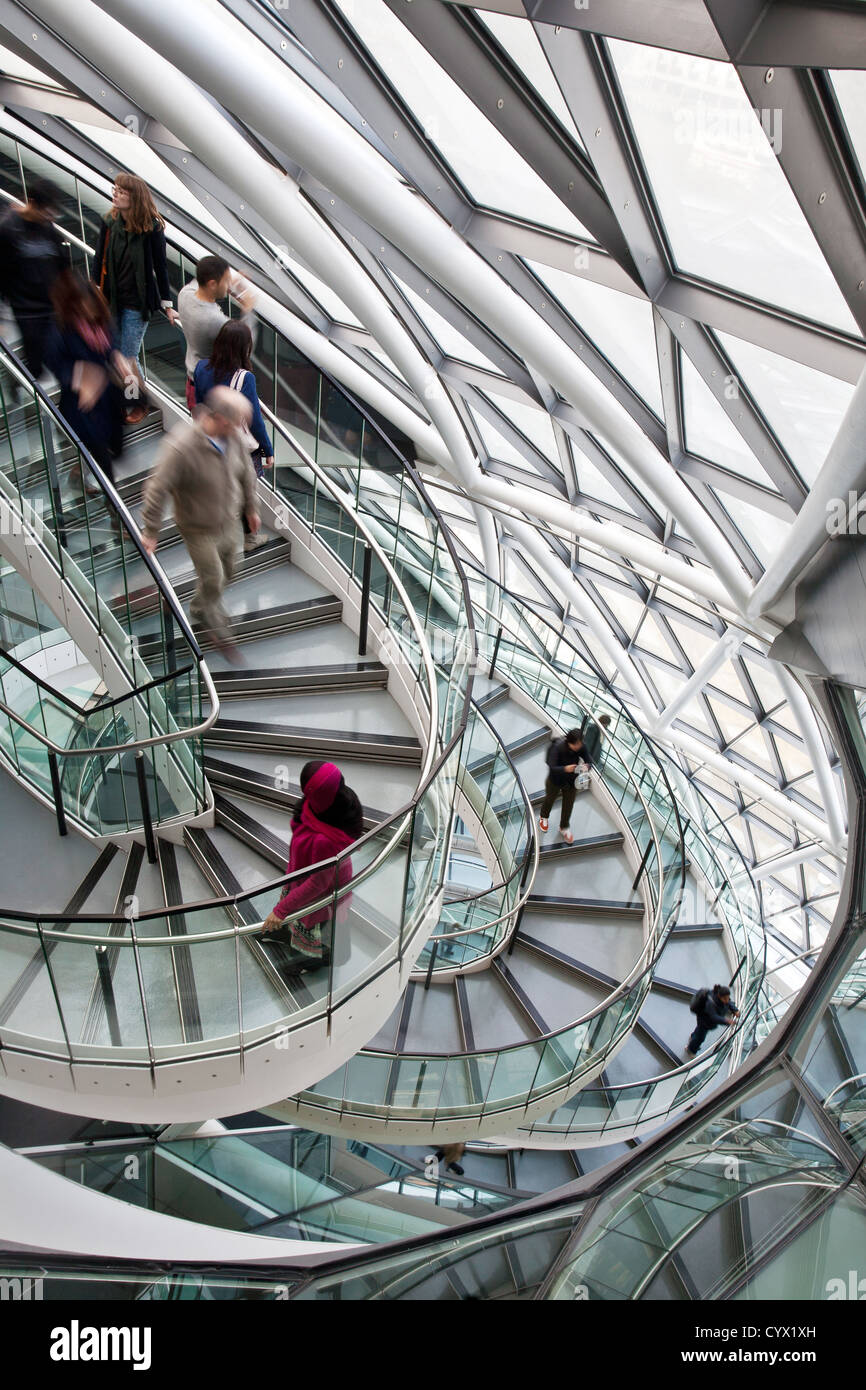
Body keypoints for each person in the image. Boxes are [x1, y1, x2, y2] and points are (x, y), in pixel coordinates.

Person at [139, 385, 260, 657]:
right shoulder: (182, 447)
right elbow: (157, 488)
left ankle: (202, 603)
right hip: (197, 527)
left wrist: (251, 509)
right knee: (214, 577)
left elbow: (246, 475)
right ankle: (204, 613)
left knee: (232, 567)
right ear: (219, 419)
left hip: (228, 520)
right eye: (235, 424)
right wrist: (151, 530)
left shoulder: (233, 440)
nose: (240, 430)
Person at [260, 761, 363, 972]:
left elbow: (317, 884)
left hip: (321, 892)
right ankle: (289, 934)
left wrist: (281, 910)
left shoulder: (324, 840)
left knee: (312, 923)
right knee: (300, 918)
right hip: (301, 876)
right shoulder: (330, 804)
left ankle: (312, 959)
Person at [91, 173, 177, 422]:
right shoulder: (110, 220)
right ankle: (126, 399)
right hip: (112, 299)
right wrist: (94, 288)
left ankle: (137, 402)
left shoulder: (152, 227)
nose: (115, 194)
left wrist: (167, 305)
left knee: (127, 357)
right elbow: (99, 257)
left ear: (134, 197)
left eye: (121, 191)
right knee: (115, 353)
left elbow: (160, 267)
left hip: (137, 304)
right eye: (114, 189)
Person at [193, 320, 274, 552]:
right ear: (243, 348)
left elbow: (199, 404)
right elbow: (254, 420)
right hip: (236, 444)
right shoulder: (244, 378)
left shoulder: (201, 368)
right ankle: (249, 538)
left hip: (210, 439)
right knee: (247, 488)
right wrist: (267, 450)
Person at [45, 271, 131, 486]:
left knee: (117, 447)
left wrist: (116, 355)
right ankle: (114, 509)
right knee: (99, 449)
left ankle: (77, 473)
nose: (90, 312)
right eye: (84, 308)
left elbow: (112, 344)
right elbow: (56, 364)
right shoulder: (62, 329)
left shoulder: (101, 322)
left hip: (107, 395)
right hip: (82, 403)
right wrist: (80, 377)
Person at [0, 176, 65, 380]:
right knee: (36, 363)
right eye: (46, 212)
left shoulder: (49, 229)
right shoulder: (9, 229)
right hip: (26, 311)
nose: (50, 217)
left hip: (51, 307)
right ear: (33, 203)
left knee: (58, 357)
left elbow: (62, 265)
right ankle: (19, 380)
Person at [177, 253, 256, 412]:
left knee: (201, 426)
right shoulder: (214, 321)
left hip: (192, 379)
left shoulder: (185, 294)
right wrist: (248, 309)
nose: (229, 285)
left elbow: (201, 279)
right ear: (212, 284)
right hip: (213, 388)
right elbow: (246, 345)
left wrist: (228, 281)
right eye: (226, 281)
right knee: (215, 433)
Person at [539, 728, 589, 844]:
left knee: (569, 804)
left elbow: (589, 759)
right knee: (550, 799)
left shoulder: (581, 746)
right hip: (555, 779)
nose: (579, 747)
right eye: (577, 744)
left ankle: (564, 827)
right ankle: (544, 816)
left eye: (580, 744)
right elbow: (552, 766)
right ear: (570, 742)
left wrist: (587, 766)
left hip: (571, 781)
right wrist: (565, 769)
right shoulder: (558, 748)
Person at [686, 984, 739, 1058]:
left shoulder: (722, 999)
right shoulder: (711, 1003)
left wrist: (735, 1010)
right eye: (725, 999)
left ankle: (693, 1037)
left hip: (706, 1022)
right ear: (720, 997)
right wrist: (726, 1021)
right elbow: (714, 1017)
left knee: (698, 1031)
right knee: (700, 1038)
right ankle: (691, 1049)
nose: (727, 1000)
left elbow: (729, 1003)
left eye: (728, 998)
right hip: (704, 1022)